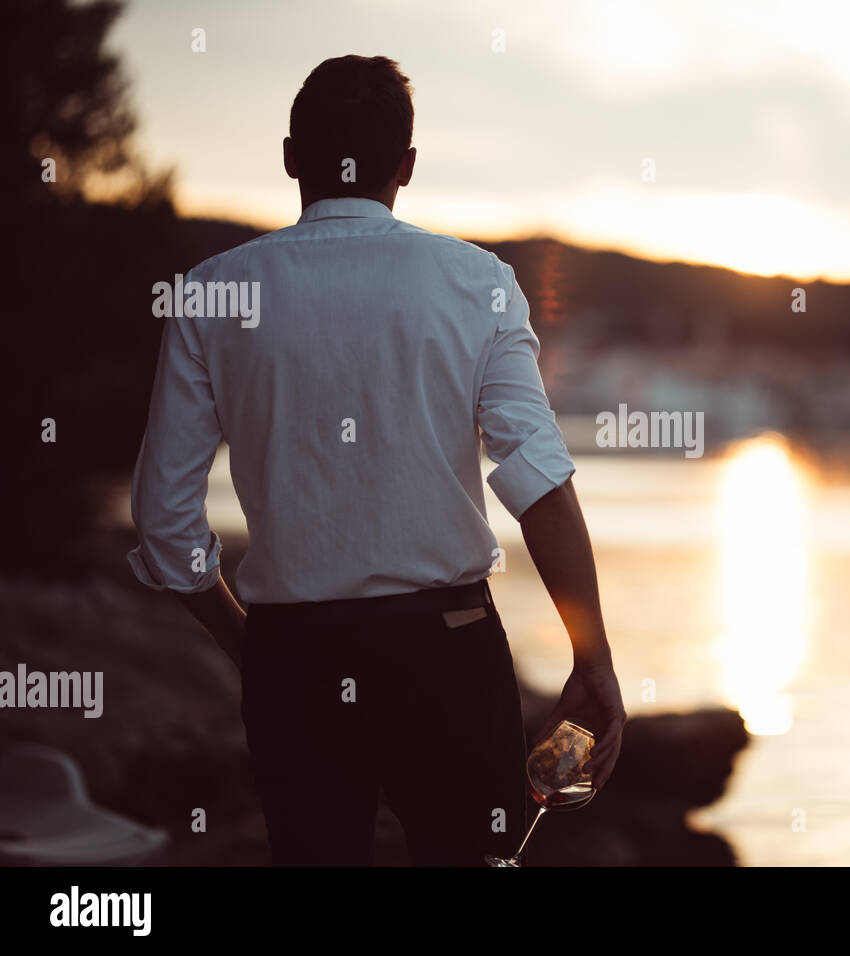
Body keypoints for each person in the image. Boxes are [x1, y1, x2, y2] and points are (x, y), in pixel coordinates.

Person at [126, 55, 626, 866]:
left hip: (294, 658)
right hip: (449, 650)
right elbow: (538, 483)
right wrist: (593, 658)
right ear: (406, 166)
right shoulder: (478, 283)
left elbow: (162, 522)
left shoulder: (210, 296)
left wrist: (243, 640)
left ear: (291, 157)